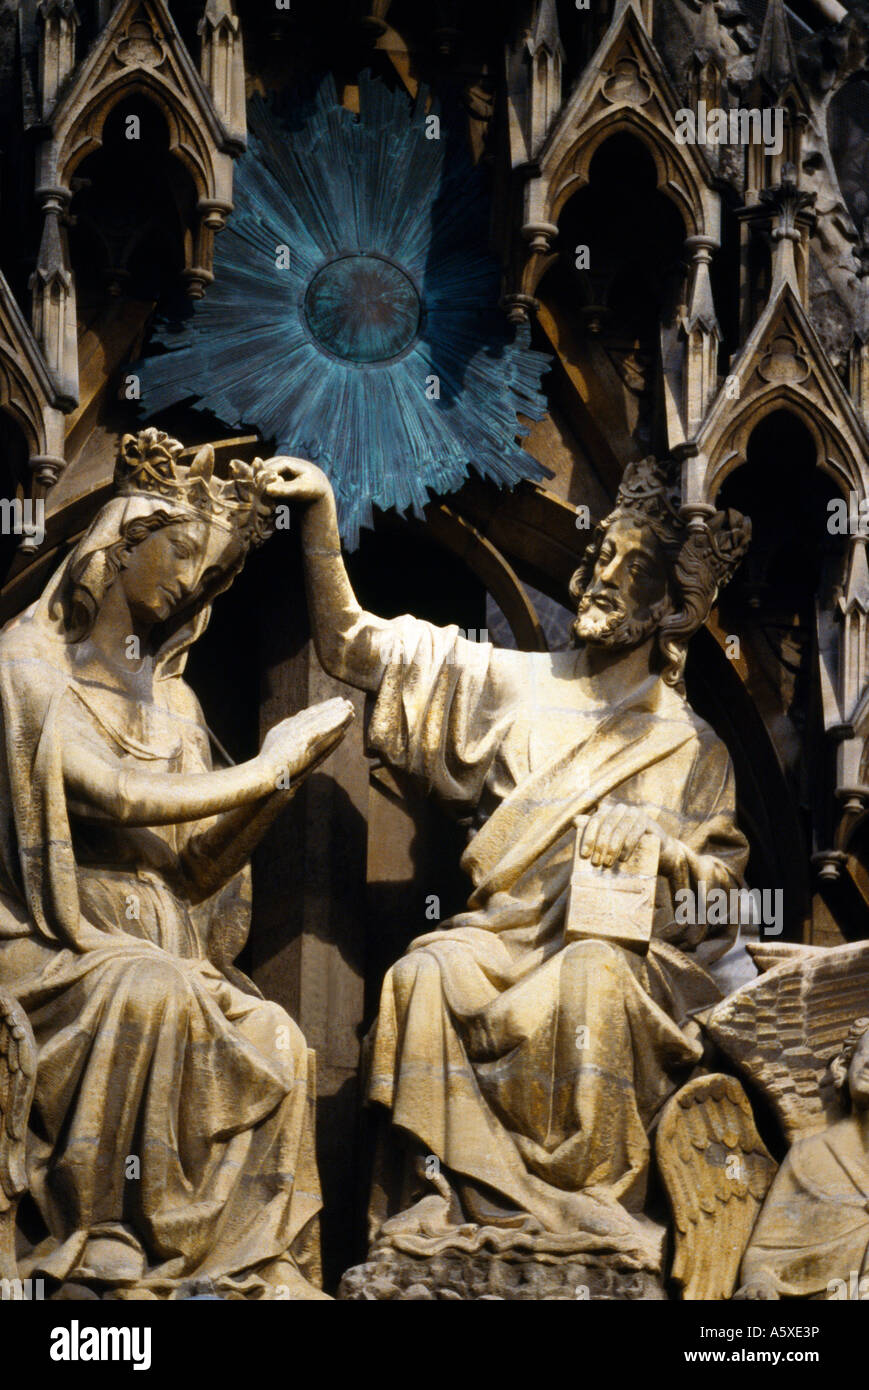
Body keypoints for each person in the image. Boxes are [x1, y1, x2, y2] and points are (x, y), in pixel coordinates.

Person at [278, 452, 752, 1264]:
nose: (604, 577)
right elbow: (350, 646)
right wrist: (319, 519)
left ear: (673, 608)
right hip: (500, 940)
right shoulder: (507, 683)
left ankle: (593, 1204)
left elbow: (720, 910)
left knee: (593, 976)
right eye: (601, 556)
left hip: (615, 960)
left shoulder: (691, 748)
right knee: (424, 974)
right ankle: (445, 1210)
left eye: (634, 569)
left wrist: (664, 851)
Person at [0, 428, 354, 1299]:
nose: (196, 580)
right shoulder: (25, 661)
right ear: (123, 539)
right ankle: (100, 1230)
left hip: (165, 944)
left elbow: (197, 871)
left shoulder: (179, 696)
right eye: (186, 551)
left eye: (219, 569)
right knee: (147, 990)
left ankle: (249, 1260)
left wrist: (275, 790)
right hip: (55, 939)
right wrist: (265, 766)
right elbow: (109, 795)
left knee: (277, 1036)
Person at [735, 1018, 869, 1301]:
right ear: (842, 1067)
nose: (867, 1063)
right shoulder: (810, 1154)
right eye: (863, 1053)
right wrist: (761, 1281)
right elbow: (766, 1253)